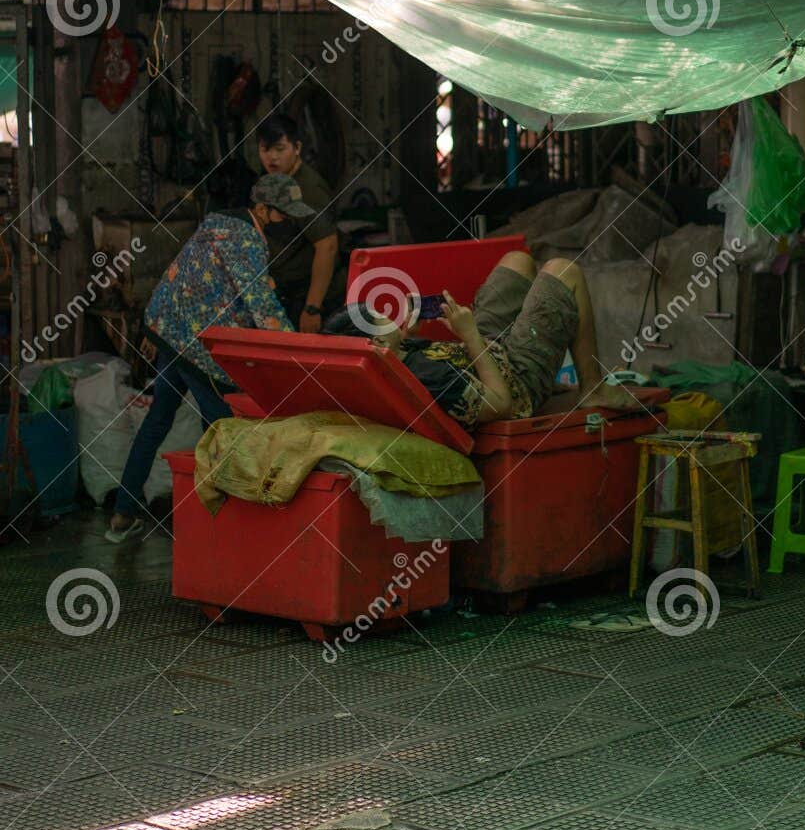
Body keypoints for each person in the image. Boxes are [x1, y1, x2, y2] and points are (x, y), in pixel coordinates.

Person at [105, 174, 312, 544]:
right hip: (194, 342)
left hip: (168, 329)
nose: (289, 223)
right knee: (221, 426)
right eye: (284, 215)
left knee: (158, 420)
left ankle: (123, 513)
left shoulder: (217, 224)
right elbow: (259, 303)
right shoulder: (245, 238)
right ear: (263, 210)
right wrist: (297, 350)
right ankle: (221, 524)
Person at [326, 249, 634, 429]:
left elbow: (407, 351)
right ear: (377, 344)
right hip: (517, 380)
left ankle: (547, 357)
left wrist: (407, 335)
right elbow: (502, 405)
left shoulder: (391, 360)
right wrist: (469, 333)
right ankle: (593, 389)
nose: (388, 314)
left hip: (487, 350)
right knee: (564, 271)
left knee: (518, 260)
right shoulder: (433, 379)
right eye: (381, 317)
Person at [256, 111, 345, 332]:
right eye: (265, 150)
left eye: (279, 149)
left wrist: (312, 308)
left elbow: (327, 246)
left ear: (297, 148)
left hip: (311, 299)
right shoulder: (273, 183)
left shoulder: (307, 189)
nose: (271, 158)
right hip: (285, 294)